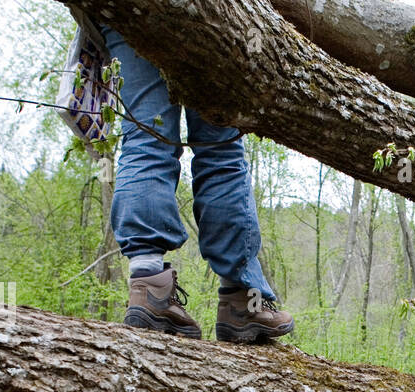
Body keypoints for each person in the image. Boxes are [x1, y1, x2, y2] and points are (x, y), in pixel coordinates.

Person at [97, 23, 294, 344]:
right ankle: (241, 299)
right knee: (220, 148)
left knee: (145, 138)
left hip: (125, 14)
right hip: (214, 17)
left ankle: (149, 289)